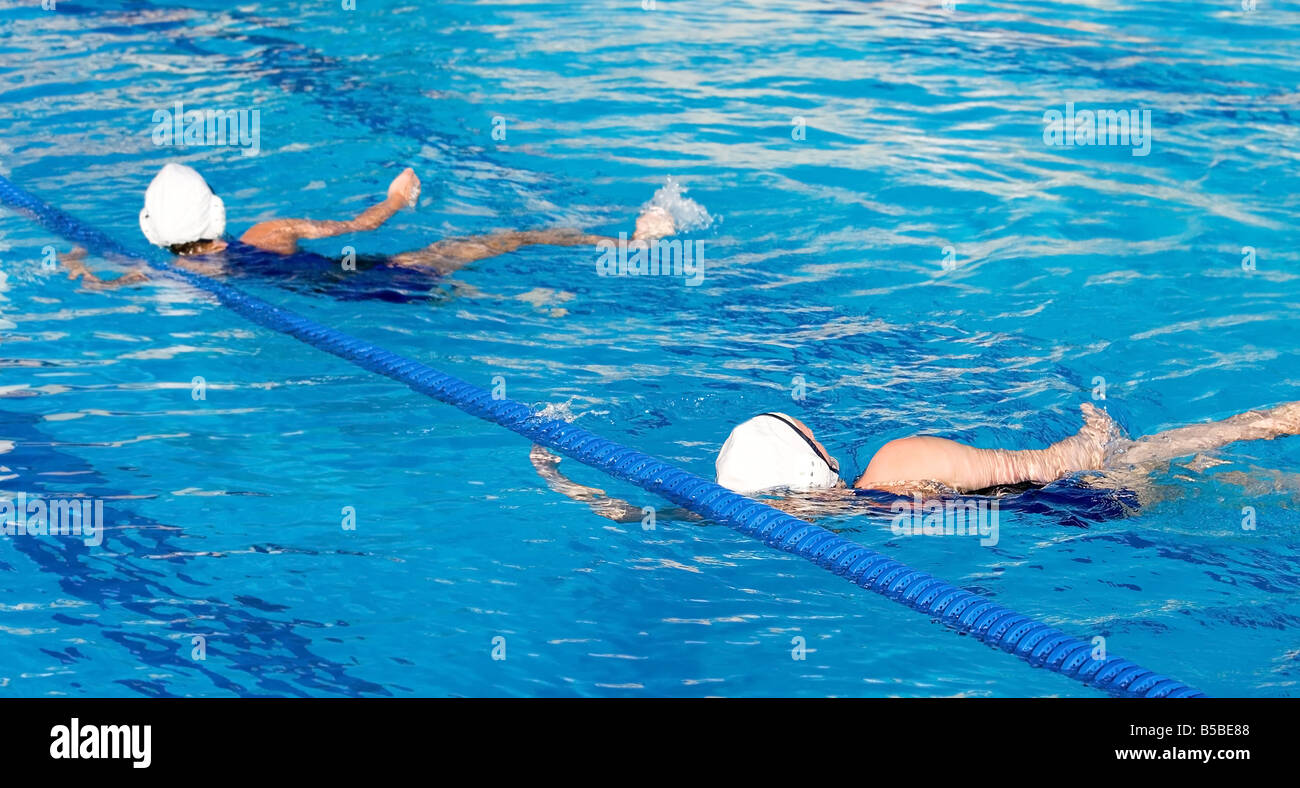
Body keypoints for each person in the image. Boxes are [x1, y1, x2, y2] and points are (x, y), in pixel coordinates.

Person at [532, 400, 1300, 520]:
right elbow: (1056, 462)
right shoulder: (897, 462)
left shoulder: (773, 516)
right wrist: (1097, 446)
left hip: (1053, 522)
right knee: (1139, 459)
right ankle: (1268, 422)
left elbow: (648, 516)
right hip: (1077, 499)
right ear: (815, 460)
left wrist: (563, 479)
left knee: (1242, 488)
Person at [64, 162, 679, 296]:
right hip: (393, 277)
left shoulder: (176, 271)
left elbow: (110, 284)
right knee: (511, 236)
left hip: (361, 305)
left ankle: (524, 299)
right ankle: (633, 244)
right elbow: (359, 224)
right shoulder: (269, 232)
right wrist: (395, 196)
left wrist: (80, 269)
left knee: (450, 295)